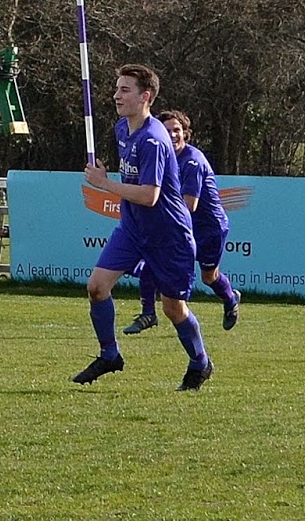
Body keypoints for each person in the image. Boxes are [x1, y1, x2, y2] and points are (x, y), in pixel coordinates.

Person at [74, 64, 213, 390]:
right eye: (117, 88)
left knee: (173, 308)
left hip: (168, 235)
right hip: (133, 228)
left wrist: (104, 183)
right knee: (97, 287)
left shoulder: (153, 140)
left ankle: (200, 363)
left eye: (124, 90)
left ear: (145, 97)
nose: (116, 95)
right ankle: (110, 355)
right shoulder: (122, 128)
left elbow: (150, 196)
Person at [123, 109, 240, 335]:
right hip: (181, 227)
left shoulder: (192, 161)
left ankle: (230, 298)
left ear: (186, 133)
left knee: (209, 277)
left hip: (208, 229)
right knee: (152, 261)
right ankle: (148, 313)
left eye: (177, 130)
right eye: (167, 131)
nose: (172, 135)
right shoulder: (162, 157)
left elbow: (189, 206)